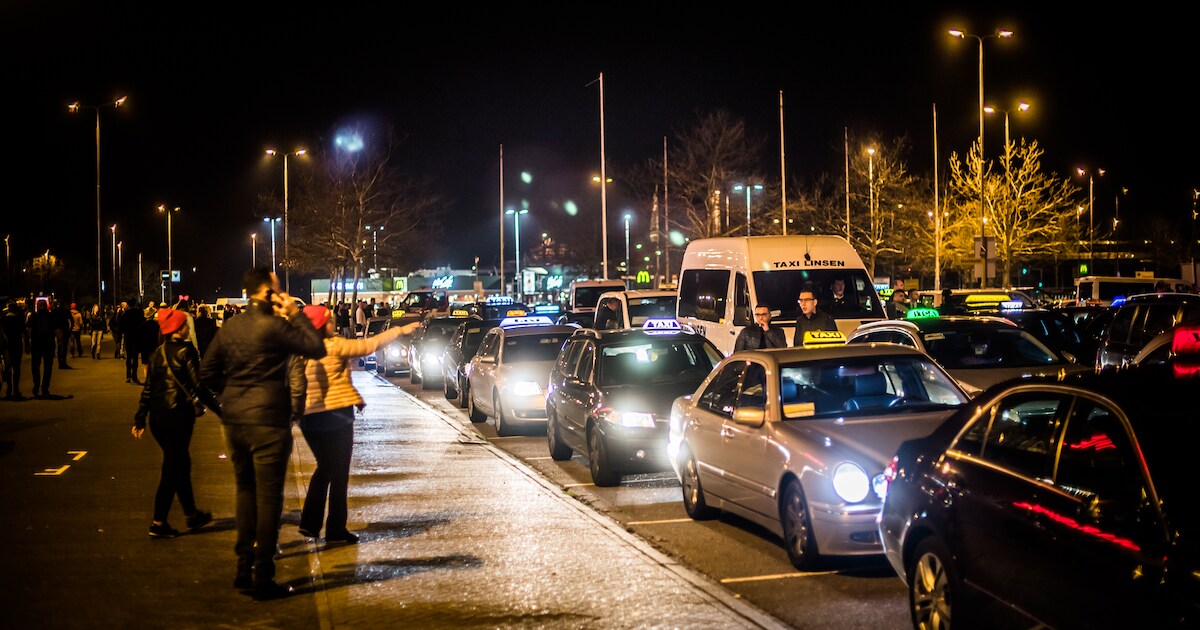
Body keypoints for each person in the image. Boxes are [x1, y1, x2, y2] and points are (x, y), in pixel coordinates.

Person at [200, 267, 326, 601]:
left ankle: (243, 567)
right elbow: (316, 347)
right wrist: (295, 312)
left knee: (244, 490)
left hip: (234, 421)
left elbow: (206, 373)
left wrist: (229, 398)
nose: (282, 293)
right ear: (267, 292)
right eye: (278, 288)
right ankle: (263, 575)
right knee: (269, 498)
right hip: (268, 420)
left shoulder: (230, 326)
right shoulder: (275, 326)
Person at [290, 306, 419, 544]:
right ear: (322, 326)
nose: (334, 324)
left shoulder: (298, 351)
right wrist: (399, 330)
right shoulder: (335, 345)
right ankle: (335, 529)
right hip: (337, 415)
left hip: (308, 417)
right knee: (339, 473)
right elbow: (370, 345)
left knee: (324, 467)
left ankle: (310, 522)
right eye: (330, 321)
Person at [132, 308, 221, 539]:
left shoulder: (157, 353)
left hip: (158, 418)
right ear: (179, 329)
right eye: (185, 325)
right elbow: (198, 385)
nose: (187, 328)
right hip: (178, 416)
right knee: (172, 468)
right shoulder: (186, 351)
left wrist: (140, 418)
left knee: (180, 462)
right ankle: (158, 522)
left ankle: (192, 514)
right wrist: (220, 410)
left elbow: (148, 389)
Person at [26, 299, 60, 397]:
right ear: (46, 306)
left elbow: (29, 330)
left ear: (37, 306)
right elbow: (57, 330)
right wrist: (60, 342)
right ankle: (45, 387)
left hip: (36, 344)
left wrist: (28, 343)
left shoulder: (33, 316)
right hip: (48, 344)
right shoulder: (51, 316)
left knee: (35, 366)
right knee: (48, 367)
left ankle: (36, 384)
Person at [2, 301, 26, 400]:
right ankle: (16, 388)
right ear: (16, 310)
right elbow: (23, 333)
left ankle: (9, 388)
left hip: (6, 347)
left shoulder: (3, 320)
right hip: (17, 346)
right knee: (16, 368)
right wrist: (27, 346)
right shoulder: (19, 320)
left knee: (8, 368)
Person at [120, 302, 146, 383]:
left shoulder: (125, 314)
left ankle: (128, 375)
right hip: (136, 337)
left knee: (129, 357)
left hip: (128, 337)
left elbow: (121, 324)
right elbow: (142, 324)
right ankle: (134, 376)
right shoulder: (138, 313)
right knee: (135, 358)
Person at [52, 299, 72, 369]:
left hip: (58, 330)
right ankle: (63, 362)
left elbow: (52, 321)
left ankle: (60, 362)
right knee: (64, 347)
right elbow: (71, 320)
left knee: (60, 346)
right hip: (64, 329)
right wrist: (70, 330)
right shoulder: (66, 311)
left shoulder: (55, 311)